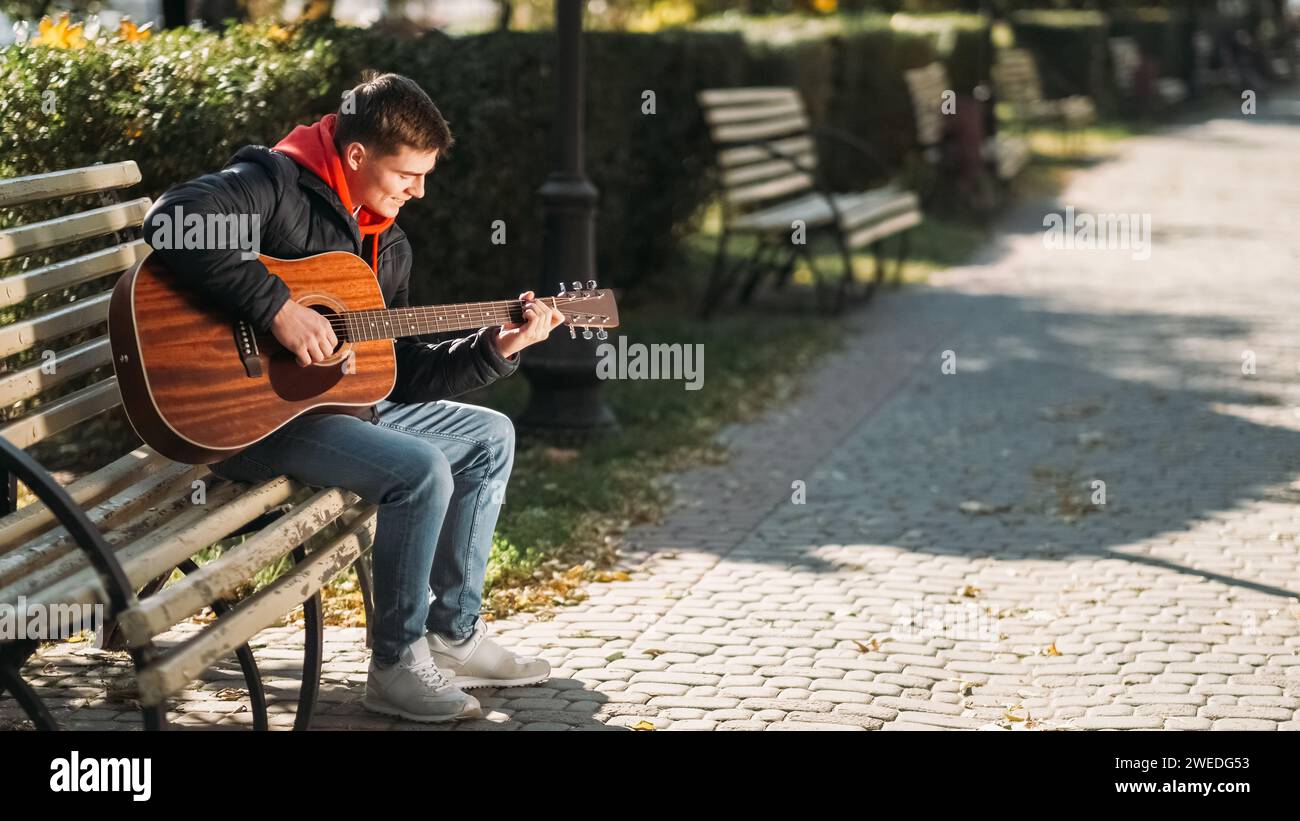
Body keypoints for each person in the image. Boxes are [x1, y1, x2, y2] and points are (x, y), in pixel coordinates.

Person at [143, 72, 561, 723]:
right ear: (357, 154)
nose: (419, 190)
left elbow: (393, 373)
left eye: (425, 175)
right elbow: (172, 221)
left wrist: (494, 349)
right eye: (407, 174)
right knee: (418, 471)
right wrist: (277, 307)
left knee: (489, 436)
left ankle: (451, 636)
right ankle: (395, 664)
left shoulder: (386, 241)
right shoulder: (278, 182)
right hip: (249, 417)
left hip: (337, 410)